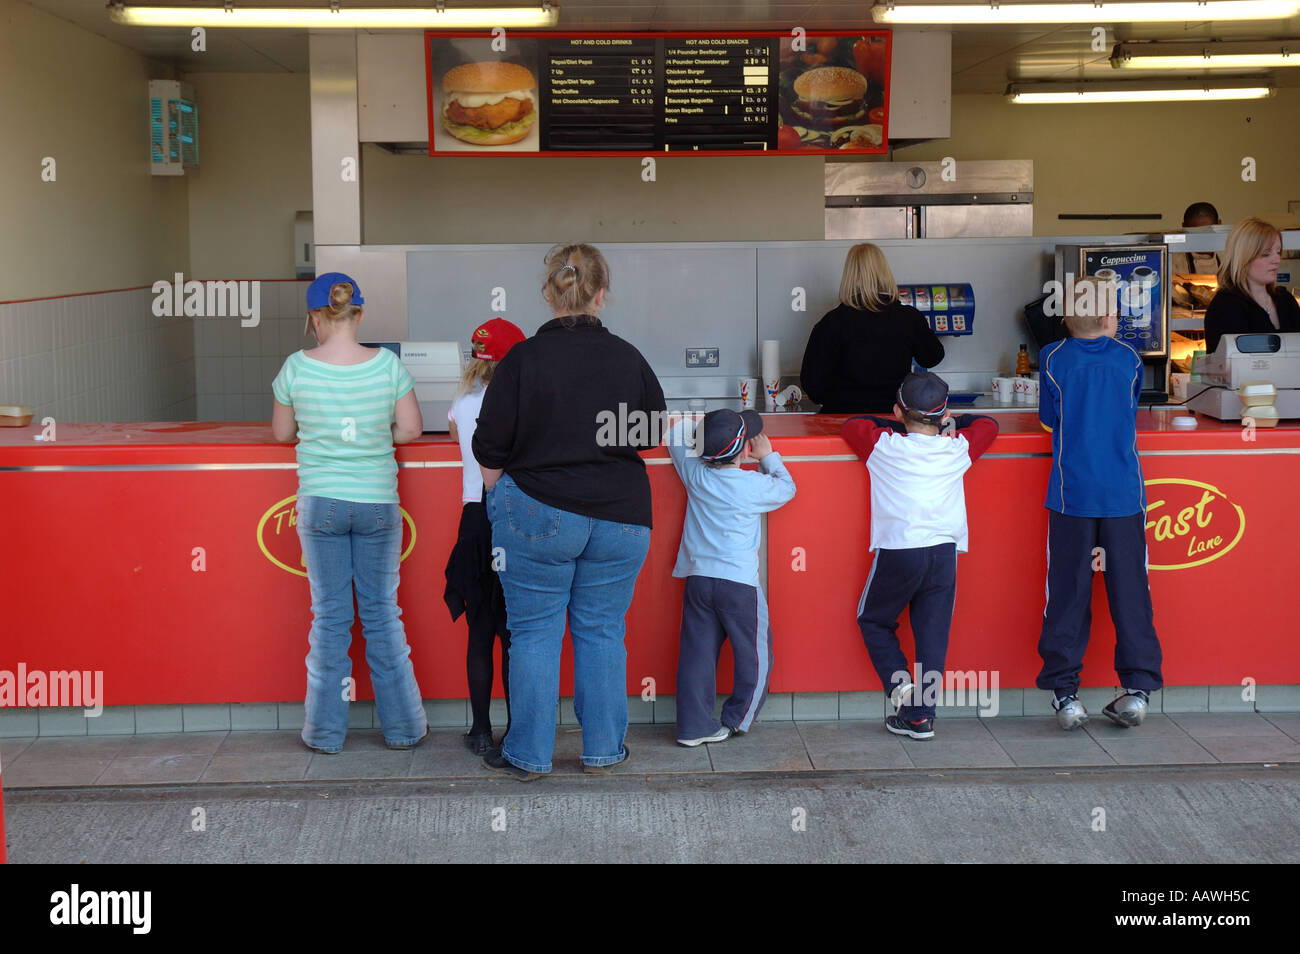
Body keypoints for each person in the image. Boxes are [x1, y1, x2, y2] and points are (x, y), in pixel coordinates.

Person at [472, 244, 666, 781]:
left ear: (548, 294)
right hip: (622, 517)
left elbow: (488, 446)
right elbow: (652, 434)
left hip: (535, 513)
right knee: (602, 631)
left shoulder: (522, 360)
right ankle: (603, 750)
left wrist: (499, 495)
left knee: (533, 634)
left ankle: (530, 756)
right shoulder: (628, 357)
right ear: (601, 295)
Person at [271, 272, 429, 754]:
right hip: (378, 503)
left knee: (331, 618)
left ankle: (323, 734)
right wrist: (377, 436)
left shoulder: (296, 368)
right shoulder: (387, 366)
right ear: (358, 315)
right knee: (382, 614)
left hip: (321, 504)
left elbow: (282, 434)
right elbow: (412, 429)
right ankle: (404, 729)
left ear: (314, 319)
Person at [1036, 276, 1163, 731]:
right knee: (1131, 591)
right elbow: (1128, 409)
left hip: (1072, 496)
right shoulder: (1130, 359)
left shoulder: (1051, 358)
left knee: (1068, 593)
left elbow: (1049, 422)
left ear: (1066, 317)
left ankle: (1065, 694)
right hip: (1124, 496)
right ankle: (1138, 690)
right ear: (1111, 317)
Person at [840, 372, 997, 740]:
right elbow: (988, 424)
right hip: (944, 553)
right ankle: (921, 716)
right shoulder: (956, 448)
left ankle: (903, 692)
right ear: (944, 414)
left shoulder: (884, 445)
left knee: (874, 621)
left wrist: (894, 423)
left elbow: (853, 424)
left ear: (898, 411)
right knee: (932, 637)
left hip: (899, 551)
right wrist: (951, 425)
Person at [664, 409, 795, 747]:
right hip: (739, 586)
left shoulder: (693, 472)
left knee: (697, 654)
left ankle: (692, 728)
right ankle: (738, 718)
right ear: (746, 450)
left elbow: (676, 428)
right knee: (755, 653)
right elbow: (787, 488)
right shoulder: (753, 484)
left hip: (699, 580)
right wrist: (770, 457)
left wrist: (701, 431)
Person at [443, 317, 526, 756]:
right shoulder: (523, 401)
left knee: (479, 631)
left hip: (473, 520)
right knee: (514, 634)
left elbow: (456, 438)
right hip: (512, 517)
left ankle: (478, 729)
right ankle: (517, 730)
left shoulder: (461, 403)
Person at [800, 242, 944, 413]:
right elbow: (932, 357)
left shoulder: (832, 322)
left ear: (849, 275)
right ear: (885, 272)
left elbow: (813, 386)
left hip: (844, 422)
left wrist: (839, 398)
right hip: (893, 422)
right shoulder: (909, 318)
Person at [1204, 216, 1300, 354]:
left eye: (1278, 252)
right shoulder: (1226, 306)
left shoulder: (1286, 300)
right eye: (1266, 254)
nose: (1277, 260)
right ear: (1244, 258)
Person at [1171, 201, 1222, 275]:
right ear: (1184, 227)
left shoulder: (1228, 257)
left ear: (1219, 225)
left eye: (1207, 233)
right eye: (1196, 234)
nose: (1202, 240)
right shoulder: (1174, 260)